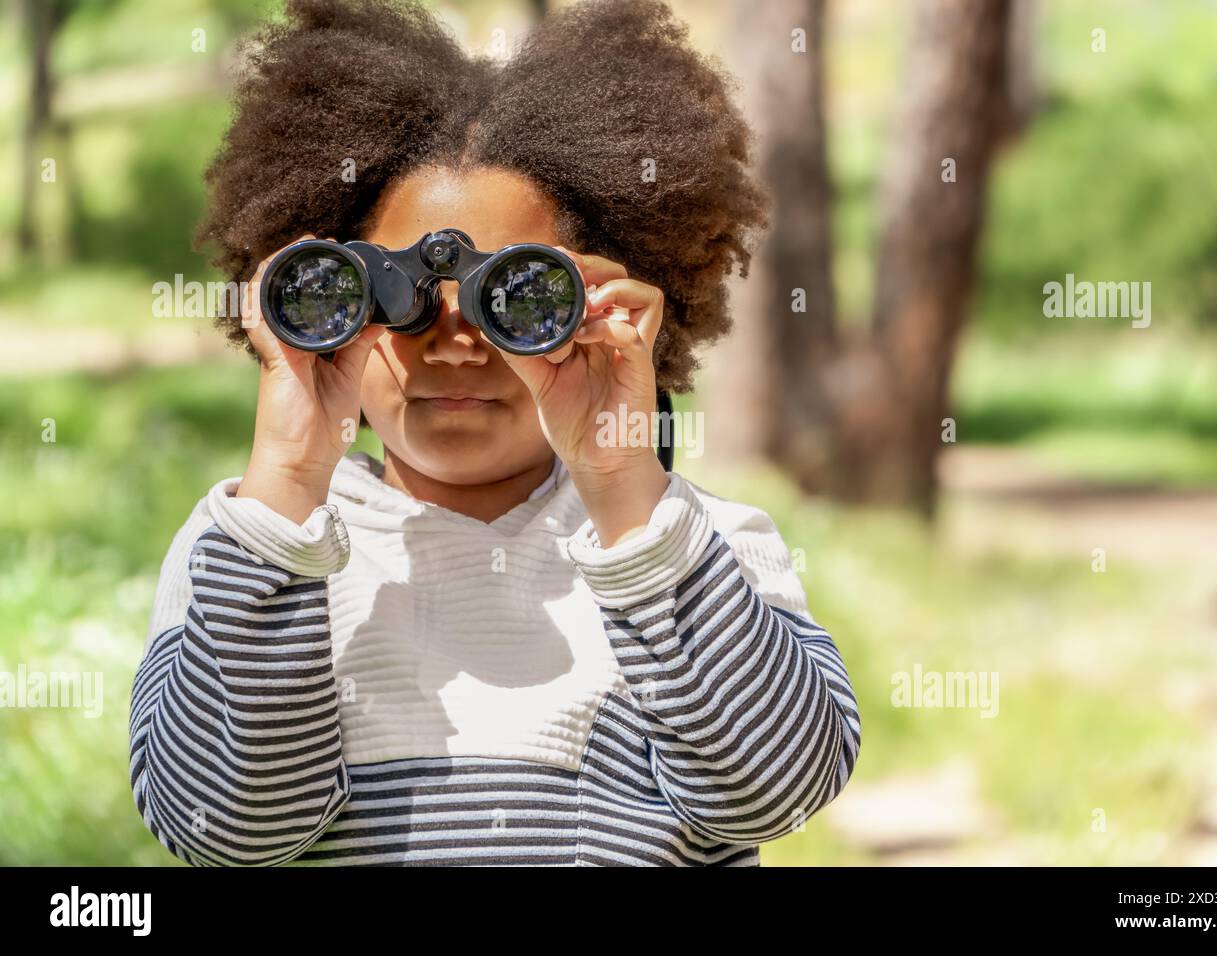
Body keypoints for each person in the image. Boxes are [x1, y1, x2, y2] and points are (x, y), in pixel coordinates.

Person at [128, 0, 861, 866]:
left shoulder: (699, 550)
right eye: (393, 303)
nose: (456, 344)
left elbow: (777, 791)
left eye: (515, 301)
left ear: (597, 307)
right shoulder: (249, 556)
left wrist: (623, 478)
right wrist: (287, 472)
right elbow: (220, 831)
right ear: (330, 306)